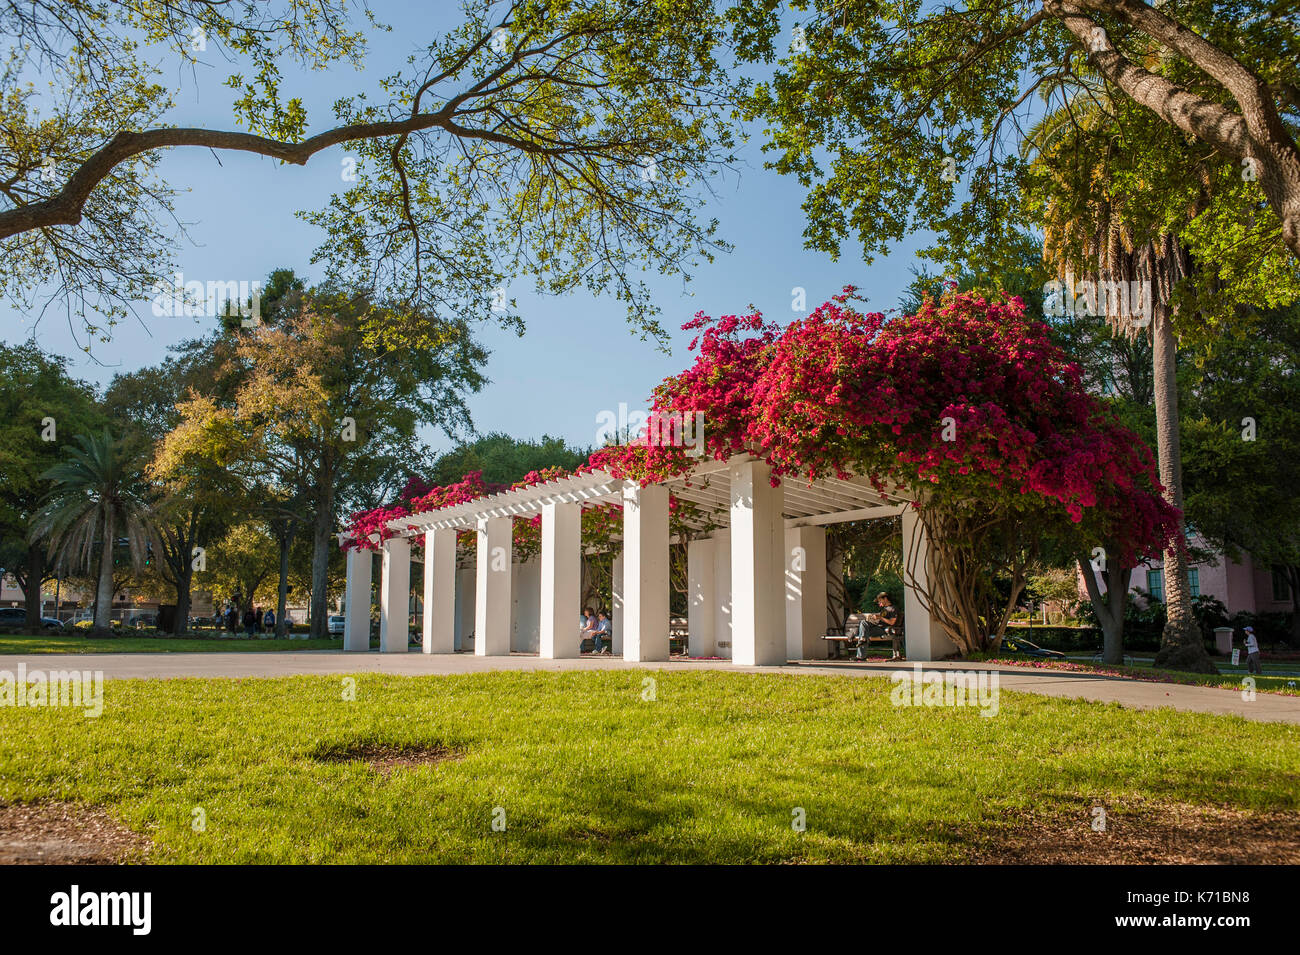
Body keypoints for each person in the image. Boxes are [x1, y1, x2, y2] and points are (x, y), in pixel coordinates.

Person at [864, 591, 901, 660]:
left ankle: (860, 654)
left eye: (880, 600)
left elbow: (892, 622)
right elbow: (880, 620)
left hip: (884, 630)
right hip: (877, 628)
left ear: (885, 599)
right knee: (863, 623)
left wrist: (880, 617)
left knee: (862, 628)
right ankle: (861, 639)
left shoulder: (893, 608)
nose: (879, 602)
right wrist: (872, 618)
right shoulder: (884, 610)